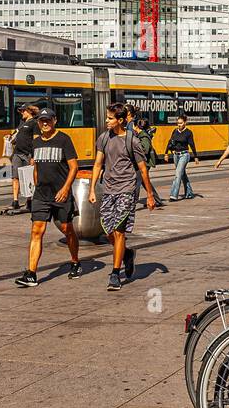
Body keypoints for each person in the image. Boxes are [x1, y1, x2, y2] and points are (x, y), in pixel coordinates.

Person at [89, 103, 156, 291]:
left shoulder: (131, 140)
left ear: (120, 120)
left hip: (127, 189)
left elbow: (143, 169)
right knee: (108, 231)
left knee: (119, 231)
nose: (107, 121)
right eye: (107, 118)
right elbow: (97, 164)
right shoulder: (103, 138)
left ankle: (115, 273)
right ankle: (126, 254)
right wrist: (92, 189)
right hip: (109, 189)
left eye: (110, 118)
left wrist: (149, 195)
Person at [15, 108, 81, 287]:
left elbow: (74, 167)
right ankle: (31, 273)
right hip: (41, 195)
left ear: (55, 121)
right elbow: (35, 166)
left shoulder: (64, 139)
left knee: (67, 229)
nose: (45, 123)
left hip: (60, 194)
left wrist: (66, 189)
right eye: (42, 121)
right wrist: (33, 188)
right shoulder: (36, 143)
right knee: (37, 231)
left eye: (48, 120)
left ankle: (75, 261)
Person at [8, 103, 38, 213]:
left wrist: (33, 156)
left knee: (28, 178)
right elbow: (17, 135)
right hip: (17, 153)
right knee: (15, 177)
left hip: (27, 154)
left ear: (29, 111)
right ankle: (15, 201)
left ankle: (29, 201)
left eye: (23, 111)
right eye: (20, 111)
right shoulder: (22, 122)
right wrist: (10, 138)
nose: (21, 113)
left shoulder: (34, 123)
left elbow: (35, 140)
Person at [164, 114, 197, 201]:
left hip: (184, 155)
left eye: (181, 123)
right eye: (178, 123)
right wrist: (166, 153)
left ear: (185, 123)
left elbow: (192, 144)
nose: (179, 125)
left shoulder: (188, 133)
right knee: (182, 174)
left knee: (178, 174)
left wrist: (195, 156)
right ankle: (189, 193)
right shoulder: (175, 131)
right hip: (176, 155)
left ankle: (173, 195)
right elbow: (170, 142)